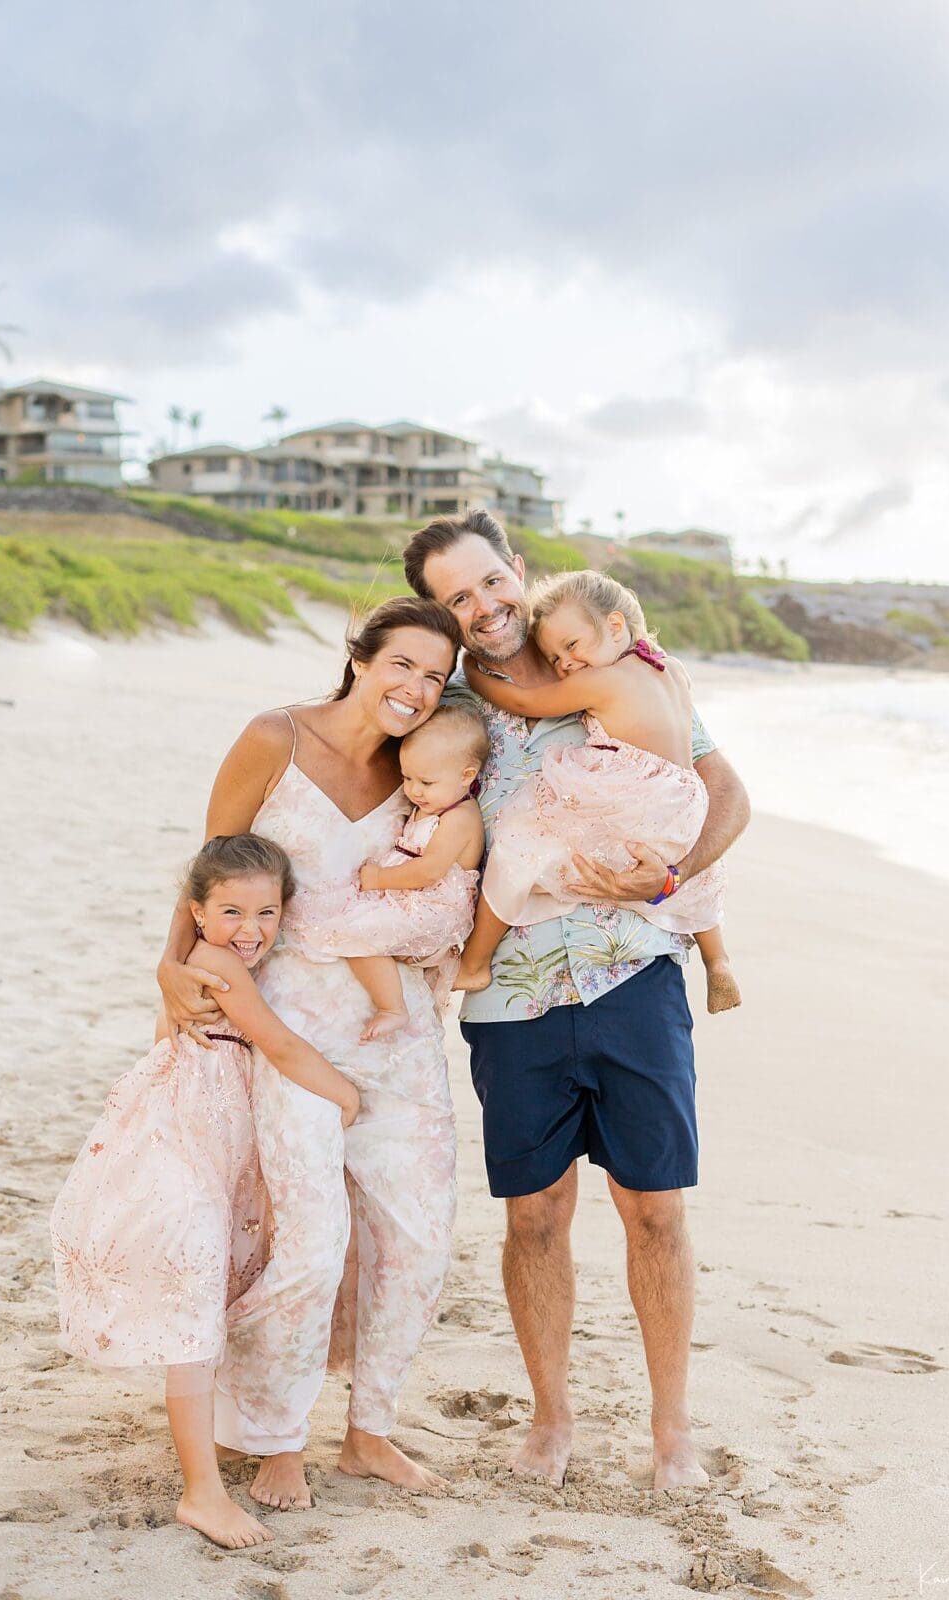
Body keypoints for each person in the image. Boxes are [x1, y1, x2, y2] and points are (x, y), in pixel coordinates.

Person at [402, 511, 751, 1491]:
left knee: (653, 1209)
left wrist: (669, 873)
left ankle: (670, 1429)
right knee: (534, 1217)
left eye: (488, 582)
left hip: (630, 972)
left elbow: (728, 796)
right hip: (507, 998)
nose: (481, 607)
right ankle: (549, 1420)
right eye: (456, 598)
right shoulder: (444, 704)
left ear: (516, 570)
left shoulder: (612, 664)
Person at [156, 596, 462, 1510]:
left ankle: (369, 1431)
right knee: (309, 1243)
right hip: (285, 1032)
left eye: (435, 677)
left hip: (399, 1033)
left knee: (417, 1239)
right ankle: (276, 1437)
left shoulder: (432, 768)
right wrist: (168, 971)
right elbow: (210, 868)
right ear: (360, 658)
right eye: (401, 663)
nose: (415, 687)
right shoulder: (275, 737)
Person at [50, 834, 360, 1550]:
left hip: (222, 1140)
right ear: (195, 911)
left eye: (266, 914)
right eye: (229, 911)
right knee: (194, 1302)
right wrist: (344, 1096)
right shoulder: (214, 960)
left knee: (222, 1293)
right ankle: (201, 1493)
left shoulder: (223, 954)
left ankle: (240, 1439)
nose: (248, 931)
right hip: (185, 1138)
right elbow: (276, 1043)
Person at [455, 568, 739, 1016]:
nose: (566, 665)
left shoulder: (602, 681)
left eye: (572, 646)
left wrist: (473, 672)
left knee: (524, 833)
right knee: (694, 875)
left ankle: (474, 961)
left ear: (615, 626)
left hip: (634, 787)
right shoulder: (670, 668)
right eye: (555, 659)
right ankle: (717, 960)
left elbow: (526, 703)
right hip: (684, 799)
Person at [297, 702, 487, 1037]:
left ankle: (392, 1007)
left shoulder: (459, 817)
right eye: (407, 778)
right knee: (331, 919)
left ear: (467, 775)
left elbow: (429, 871)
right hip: (407, 898)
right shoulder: (432, 804)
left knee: (356, 934)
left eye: (426, 782)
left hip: (434, 910)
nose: (414, 790)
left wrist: (378, 879)